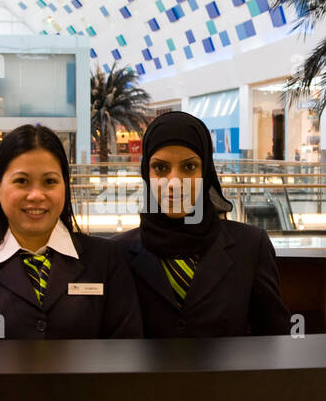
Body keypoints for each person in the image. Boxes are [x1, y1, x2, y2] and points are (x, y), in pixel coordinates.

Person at [0, 124, 141, 339]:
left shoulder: (106, 260)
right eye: (22, 181)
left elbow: (126, 351)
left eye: (50, 181)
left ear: (66, 186)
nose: (36, 195)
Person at [114, 111, 290, 338]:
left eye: (188, 168)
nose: (174, 183)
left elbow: (274, 336)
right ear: (146, 173)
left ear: (205, 172)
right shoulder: (117, 254)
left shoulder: (250, 247)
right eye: (160, 168)